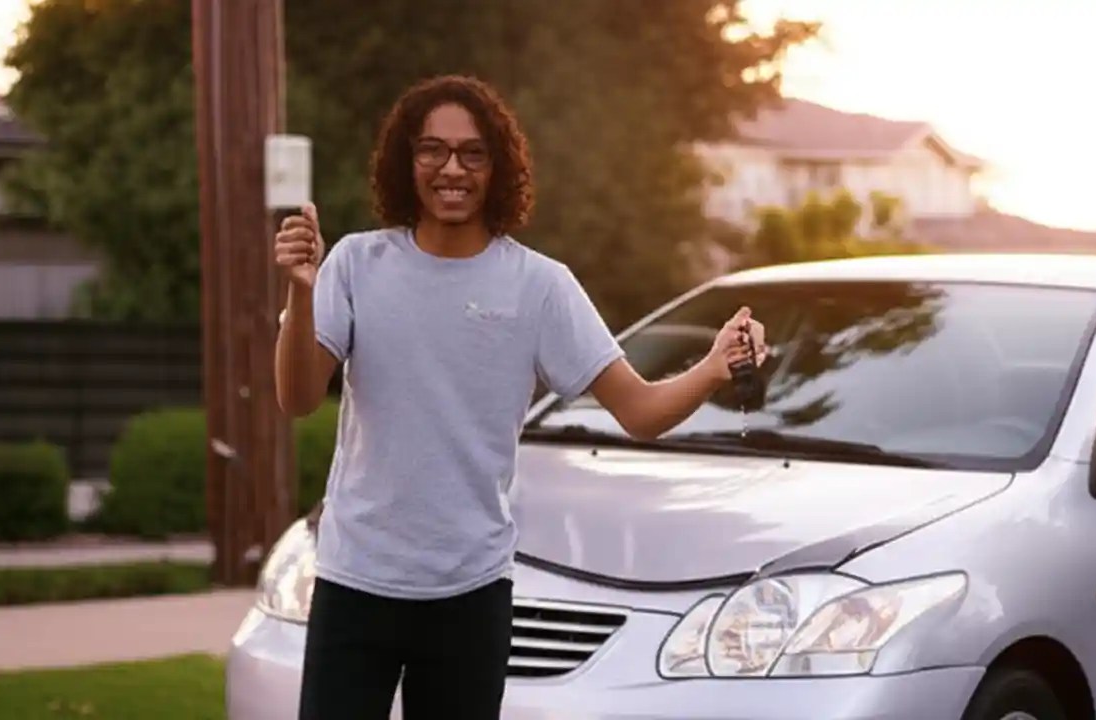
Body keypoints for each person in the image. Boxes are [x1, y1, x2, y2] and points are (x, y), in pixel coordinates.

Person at [272, 74, 766, 719]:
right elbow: (298, 396)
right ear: (406, 162)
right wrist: (301, 289)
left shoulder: (539, 286)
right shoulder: (356, 265)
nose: (452, 168)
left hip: (469, 594)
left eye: (472, 153)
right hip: (356, 582)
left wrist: (713, 367)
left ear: (497, 168)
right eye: (432, 150)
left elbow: (639, 412)